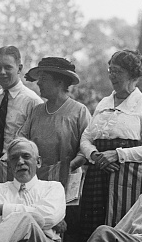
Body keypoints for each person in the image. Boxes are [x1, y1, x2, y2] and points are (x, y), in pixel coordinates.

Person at [70, 49, 142, 242]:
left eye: (117, 71)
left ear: (133, 75)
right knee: (90, 229)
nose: (112, 75)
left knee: (114, 231)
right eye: (110, 70)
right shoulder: (103, 103)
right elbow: (86, 137)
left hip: (124, 180)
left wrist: (118, 154)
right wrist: (94, 156)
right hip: (96, 175)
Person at [18, 56, 91, 189]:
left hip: (67, 182)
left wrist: (67, 168)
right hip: (35, 182)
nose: (38, 83)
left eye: (44, 79)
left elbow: (87, 148)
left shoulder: (79, 111)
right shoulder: (36, 111)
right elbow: (22, 140)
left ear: (59, 82)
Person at [0, 46, 43, 187]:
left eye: (8, 67)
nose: (2, 72)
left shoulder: (33, 102)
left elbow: (35, 141)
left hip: (19, 168)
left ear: (19, 68)